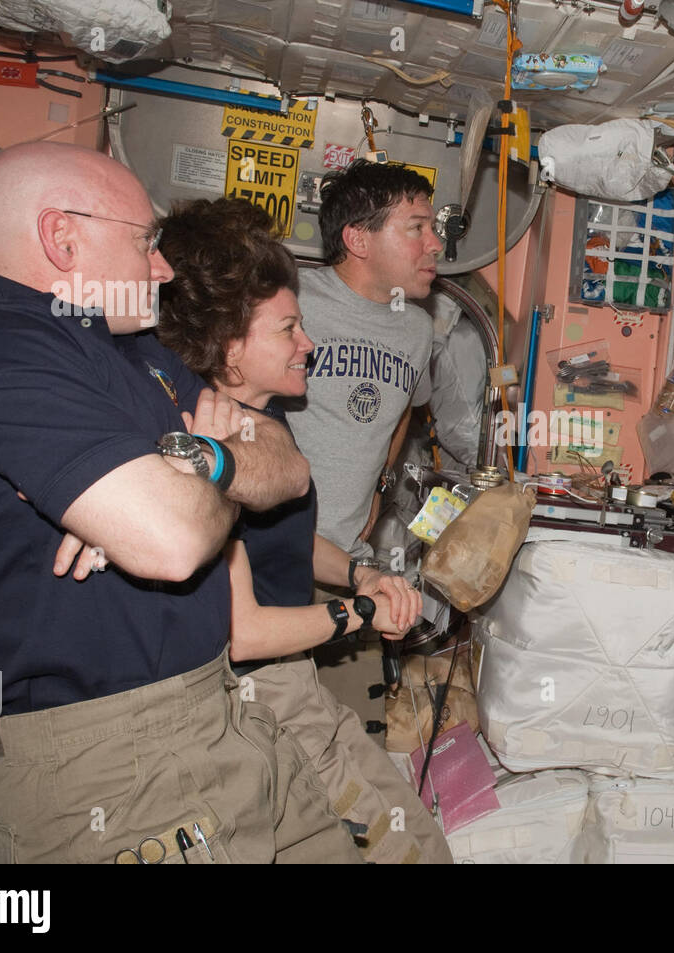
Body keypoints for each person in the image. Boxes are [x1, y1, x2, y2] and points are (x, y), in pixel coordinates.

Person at [0, 142, 357, 863]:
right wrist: (202, 479)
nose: (164, 267)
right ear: (62, 237)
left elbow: (288, 465)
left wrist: (198, 463)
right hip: (118, 765)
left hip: (224, 716)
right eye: (146, 241)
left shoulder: (132, 347)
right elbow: (172, 542)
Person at [154, 197, 453, 863]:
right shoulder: (217, 443)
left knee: (412, 836)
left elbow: (282, 544)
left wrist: (358, 571)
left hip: (290, 678)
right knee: (406, 849)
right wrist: (362, 611)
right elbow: (244, 629)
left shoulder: (268, 428)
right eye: (288, 330)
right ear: (230, 348)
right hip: (259, 690)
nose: (308, 344)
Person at [287, 159, 443, 561]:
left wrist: (381, 483)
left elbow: (402, 411)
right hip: (270, 555)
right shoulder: (291, 301)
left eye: (433, 228)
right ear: (358, 240)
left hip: (348, 558)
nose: (436, 243)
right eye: (416, 228)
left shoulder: (418, 328)